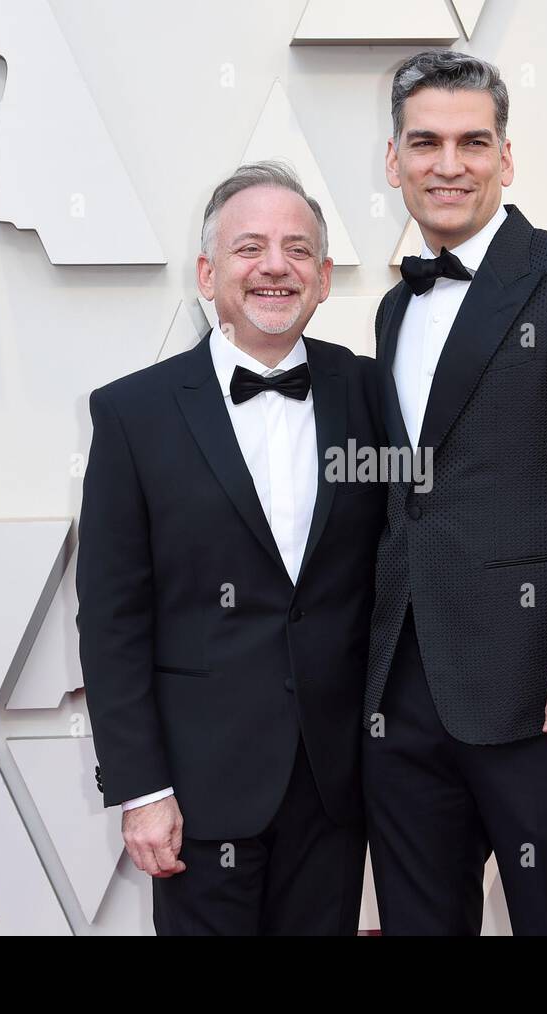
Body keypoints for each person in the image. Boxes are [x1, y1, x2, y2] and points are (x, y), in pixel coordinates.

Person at [363, 50, 547, 935]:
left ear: (506, 157)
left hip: (546, 693)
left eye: (472, 142)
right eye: (425, 143)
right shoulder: (393, 309)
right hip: (406, 691)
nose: (447, 164)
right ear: (394, 162)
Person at [76, 161, 385, 935]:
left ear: (322, 279)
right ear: (209, 274)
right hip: (197, 794)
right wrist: (141, 789)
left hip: (336, 787)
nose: (274, 266)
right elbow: (110, 618)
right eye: (250, 248)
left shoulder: (374, 396)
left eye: (297, 250)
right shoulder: (132, 414)